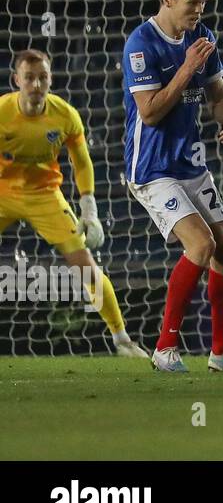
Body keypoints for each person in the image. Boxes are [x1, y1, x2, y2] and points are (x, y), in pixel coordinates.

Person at [123, 0, 223, 373]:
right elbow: (151, 112)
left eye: (203, 3)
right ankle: (164, 349)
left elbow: (217, 95)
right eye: (192, 3)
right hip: (152, 167)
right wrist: (185, 69)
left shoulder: (203, 36)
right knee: (201, 246)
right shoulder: (141, 44)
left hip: (190, 163)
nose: (199, 11)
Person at [0, 50, 148, 358]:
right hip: (2, 192)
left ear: (50, 79)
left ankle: (122, 340)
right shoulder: (2, 112)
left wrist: (89, 209)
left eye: (43, 77)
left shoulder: (65, 115)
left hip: (44, 195)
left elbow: (81, 162)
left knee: (86, 267)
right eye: (29, 77)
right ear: (17, 80)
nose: (36, 84)